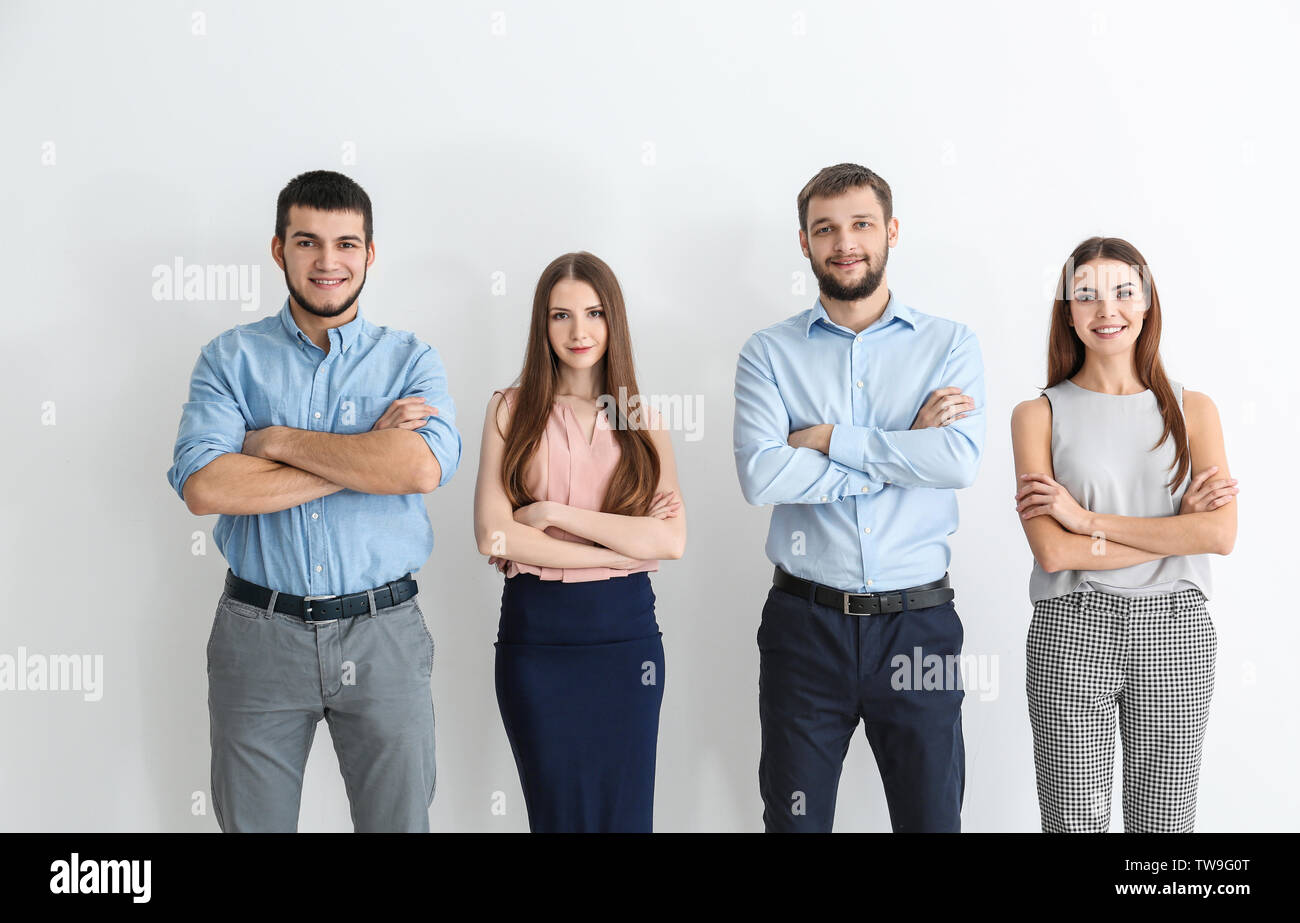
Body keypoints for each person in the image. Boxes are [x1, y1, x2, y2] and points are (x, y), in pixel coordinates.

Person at [165, 170, 462, 832]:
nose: (329, 261)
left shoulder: (413, 360)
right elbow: (207, 487)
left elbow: (418, 468)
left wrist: (272, 442)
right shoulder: (230, 359)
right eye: (308, 242)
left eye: (346, 243)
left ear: (370, 253)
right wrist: (363, 455)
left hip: (384, 631)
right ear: (279, 250)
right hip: (258, 634)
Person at [733, 163, 986, 832]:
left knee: (932, 820)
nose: (845, 243)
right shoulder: (767, 353)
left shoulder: (950, 345)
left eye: (861, 224)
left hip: (919, 627)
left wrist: (826, 440)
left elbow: (957, 460)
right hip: (804, 627)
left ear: (891, 231)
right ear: (805, 242)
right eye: (826, 229)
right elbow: (763, 477)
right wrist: (903, 448)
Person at [1011, 236, 1236, 832]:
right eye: (1086, 295)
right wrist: (1174, 531)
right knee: (1072, 822)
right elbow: (1055, 553)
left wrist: (1088, 521)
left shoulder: (1195, 410)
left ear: (1146, 303)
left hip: (1176, 628)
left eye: (1122, 292)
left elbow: (1218, 534)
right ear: (1068, 312)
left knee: (1164, 827)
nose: (1106, 309)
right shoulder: (1038, 415)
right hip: (1072, 627)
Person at [473, 251, 686, 832]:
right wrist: (622, 551)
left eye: (593, 313)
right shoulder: (508, 410)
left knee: (627, 819)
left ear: (613, 319)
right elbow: (493, 533)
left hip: (626, 643)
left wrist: (547, 513)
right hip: (537, 641)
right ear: (541, 325)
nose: (579, 331)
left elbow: (671, 539)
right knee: (557, 818)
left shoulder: (643, 416)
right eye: (559, 315)